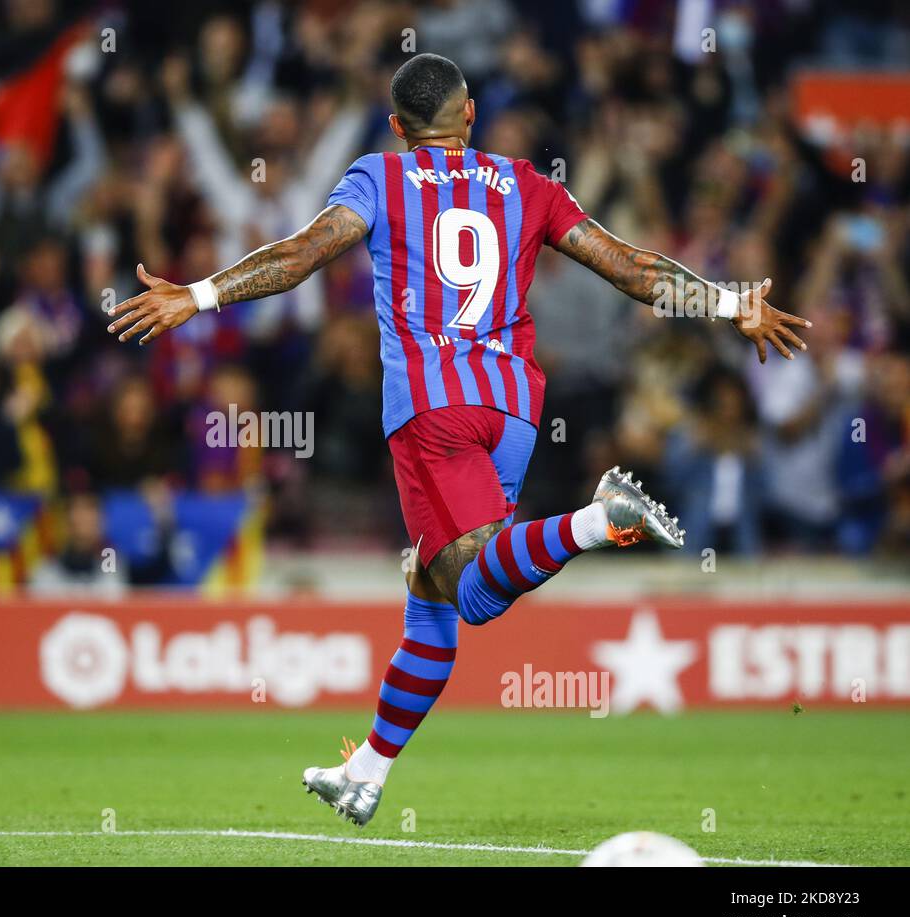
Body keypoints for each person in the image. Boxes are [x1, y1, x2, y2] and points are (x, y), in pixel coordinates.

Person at [105, 53, 810, 826]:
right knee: (435, 589)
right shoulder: (527, 184)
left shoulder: (379, 177)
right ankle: (367, 772)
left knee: (471, 591)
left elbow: (297, 257)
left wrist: (198, 294)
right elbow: (632, 269)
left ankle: (597, 517)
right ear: (470, 116)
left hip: (432, 409)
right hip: (511, 408)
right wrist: (727, 301)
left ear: (397, 127)